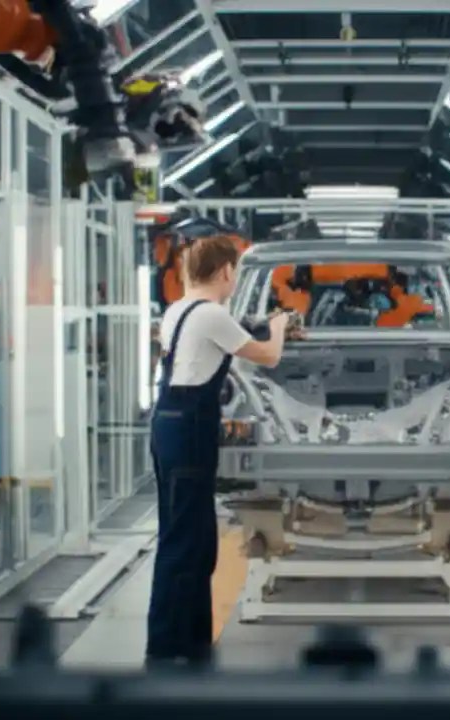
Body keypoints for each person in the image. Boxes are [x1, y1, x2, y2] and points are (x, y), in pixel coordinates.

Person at [145, 234, 291, 669]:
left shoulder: (178, 310)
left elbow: (217, 343)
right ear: (227, 272)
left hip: (169, 424)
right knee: (188, 542)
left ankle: (186, 643)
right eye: (235, 274)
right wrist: (280, 328)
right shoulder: (211, 315)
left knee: (187, 536)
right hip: (189, 430)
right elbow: (267, 356)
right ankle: (171, 648)